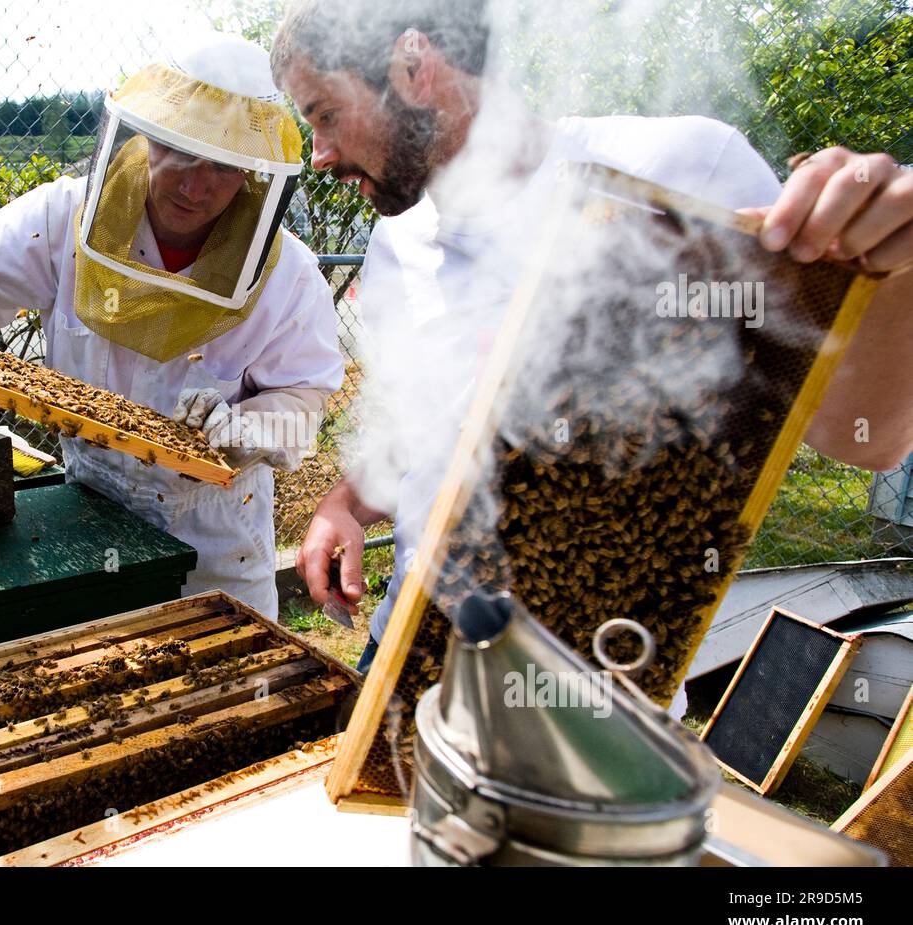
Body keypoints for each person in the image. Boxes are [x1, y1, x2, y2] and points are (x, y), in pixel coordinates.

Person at [270, 0, 913, 706]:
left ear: (415, 67)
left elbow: (865, 437)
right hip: (413, 649)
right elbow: (433, 438)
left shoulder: (681, 166)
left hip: (597, 686)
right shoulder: (397, 240)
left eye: (325, 113)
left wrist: (889, 275)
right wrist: (348, 503)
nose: (321, 153)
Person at [0, 34, 344, 619]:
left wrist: (249, 430)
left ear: (252, 173)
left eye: (222, 165)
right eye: (180, 152)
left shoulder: (287, 274)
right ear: (147, 135)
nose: (195, 184)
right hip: (92, 520)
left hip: (216, 545)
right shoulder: (64, 215)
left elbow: (303, 402)